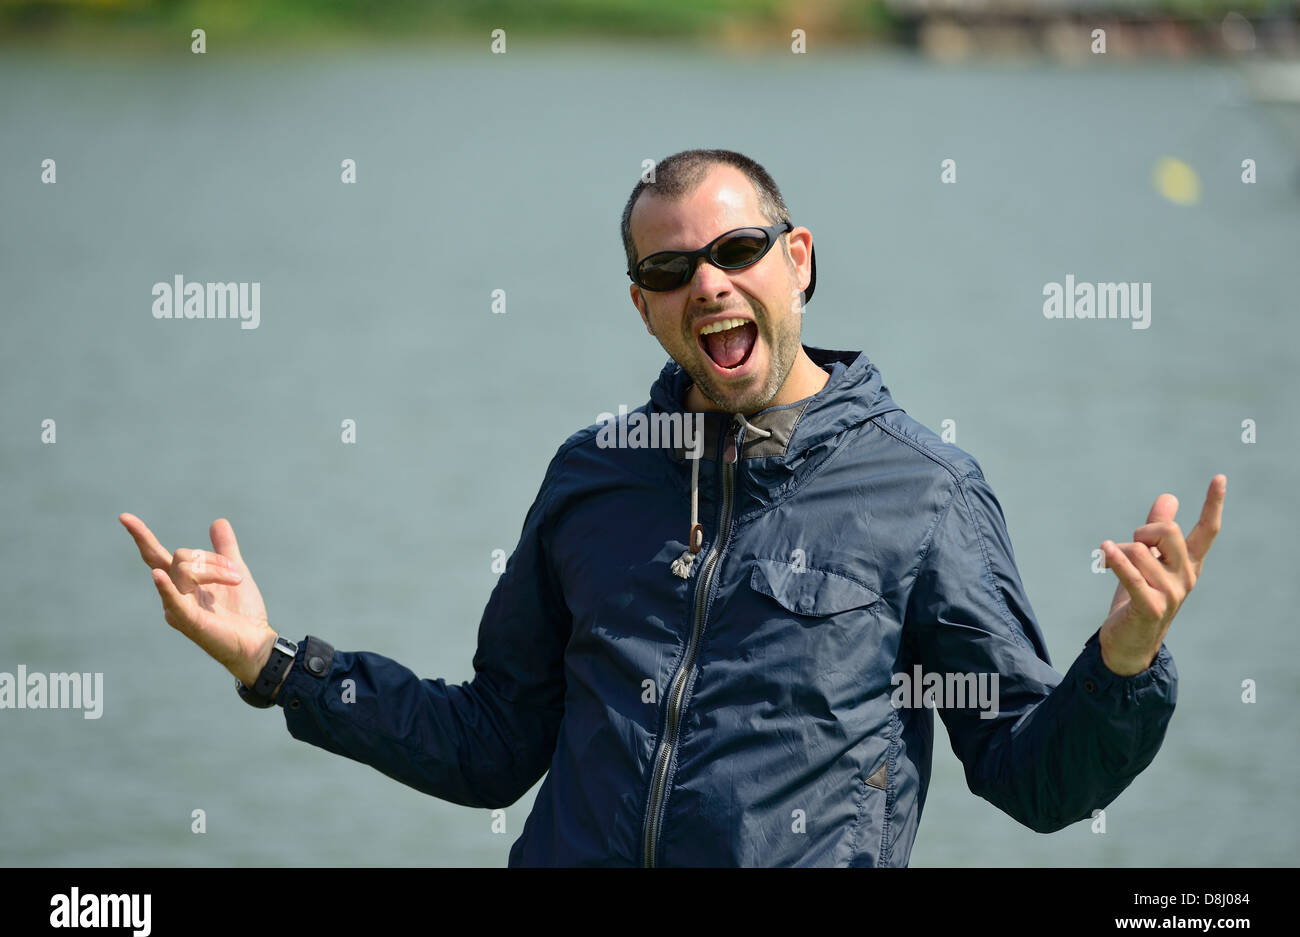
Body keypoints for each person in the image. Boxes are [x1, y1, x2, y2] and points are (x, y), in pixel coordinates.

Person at [120, 148, 1227, 866]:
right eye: (669, 270)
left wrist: (1123, 663)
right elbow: (494, 743)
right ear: (644, 308)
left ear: (796, 262)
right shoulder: (593, 474)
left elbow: (1033, 779)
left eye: (737, 250)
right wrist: (274, 663)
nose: (707, 283)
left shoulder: (923, 491)